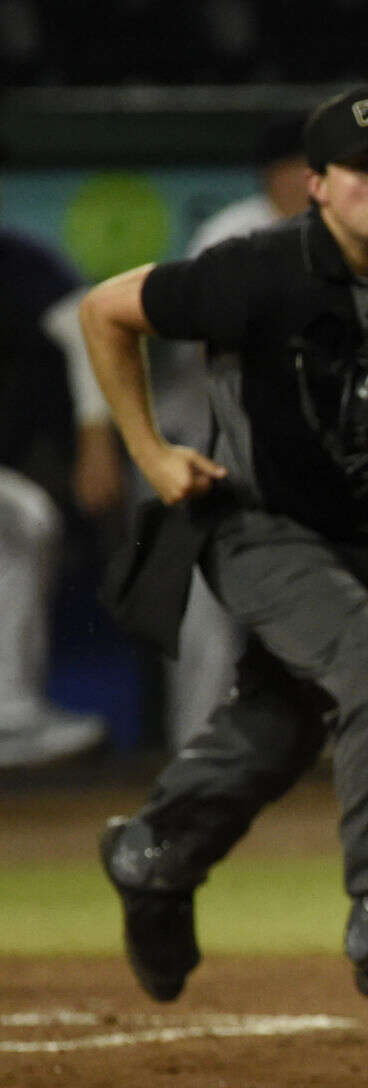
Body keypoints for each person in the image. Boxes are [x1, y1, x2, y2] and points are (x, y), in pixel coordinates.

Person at [79, 85, 368, 1028]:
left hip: (366, 537)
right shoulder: (253, 271)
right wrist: (152, 452)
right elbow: (104, 311)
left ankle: (156, 852)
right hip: (256, 525)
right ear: (318, 184)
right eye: (365, 167)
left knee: (282, 724)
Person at [149, 114, 310, 751]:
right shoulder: (231, 236)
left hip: (267, 461)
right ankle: (197, 757)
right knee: (206, 620)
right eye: (308, 166)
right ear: (277, 174)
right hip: (194, 455)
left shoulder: (330, 238)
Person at [0, 213, 115, 767]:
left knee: (19, 516)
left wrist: (95, 435)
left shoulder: (14, 256)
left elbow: (82, 319)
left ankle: (10, 713)